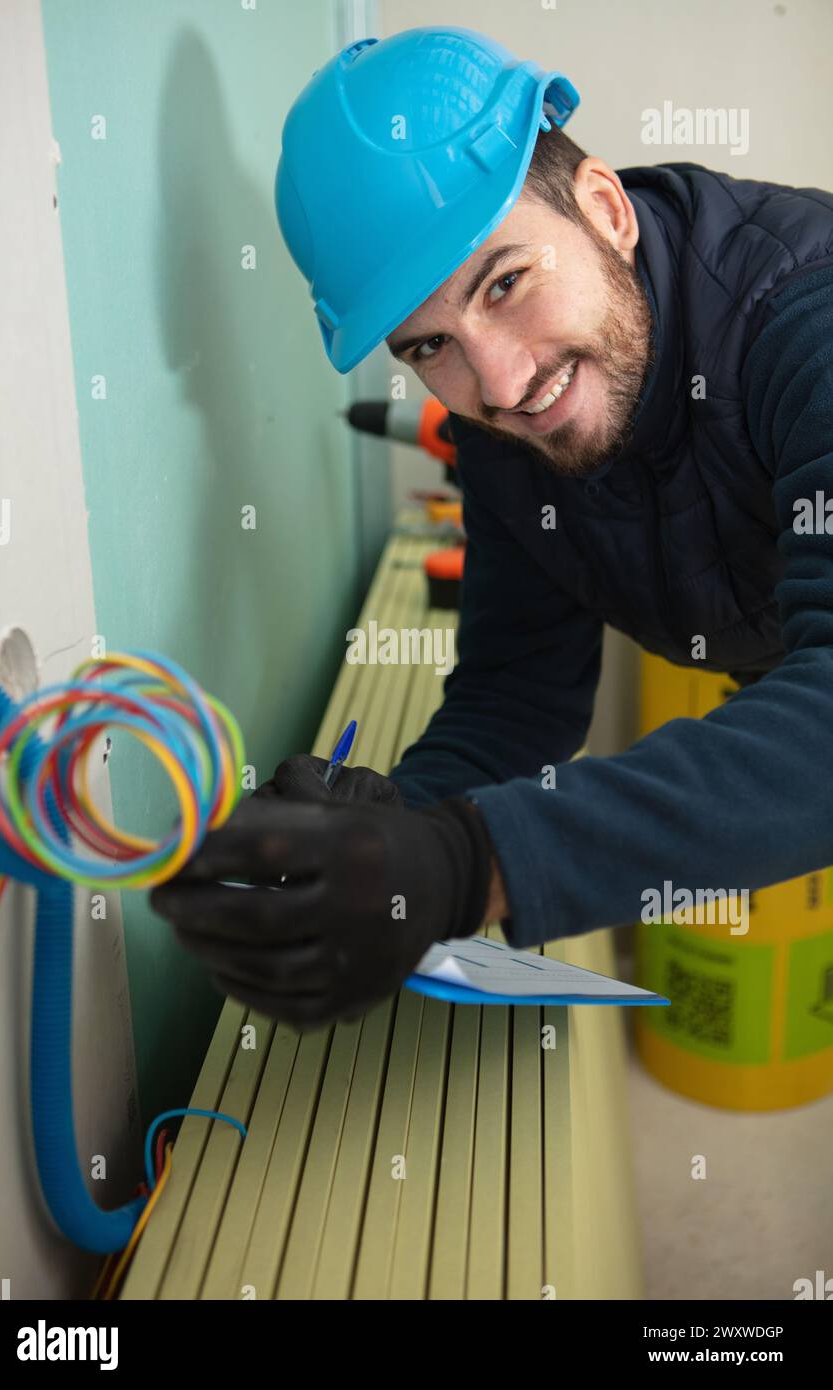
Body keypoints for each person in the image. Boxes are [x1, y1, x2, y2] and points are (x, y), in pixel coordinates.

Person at [151, 26, 833, 1030]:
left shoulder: (802, 327)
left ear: (602, 208)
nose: (502, 385)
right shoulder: (503, 429)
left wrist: (474, 863)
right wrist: (392, 833)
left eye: (504, 283)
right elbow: (516, 694)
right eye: (430, 345)